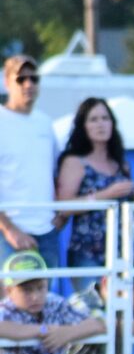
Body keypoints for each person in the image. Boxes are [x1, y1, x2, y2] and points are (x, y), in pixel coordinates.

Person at [56, 98, 134, 281]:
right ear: (83, 126)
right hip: (87, 253)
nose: (101, 124)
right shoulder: (75, 162)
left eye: (105, 118)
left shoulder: (120, 163)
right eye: (93, 119)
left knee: (130, 306)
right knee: (93, 309)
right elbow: (64, 207)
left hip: (122, 251)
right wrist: (105, 195)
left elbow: (125, 205)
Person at [0, 57, 64, 280]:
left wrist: (59, 219)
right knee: (10, 305)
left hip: (46, 231)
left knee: (45, 304)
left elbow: (58, 174)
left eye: (34, 78)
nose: (28, 84)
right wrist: (9, 229)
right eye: (21, 79)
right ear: (7, 82)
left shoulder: (45, 123)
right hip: (8, 234)